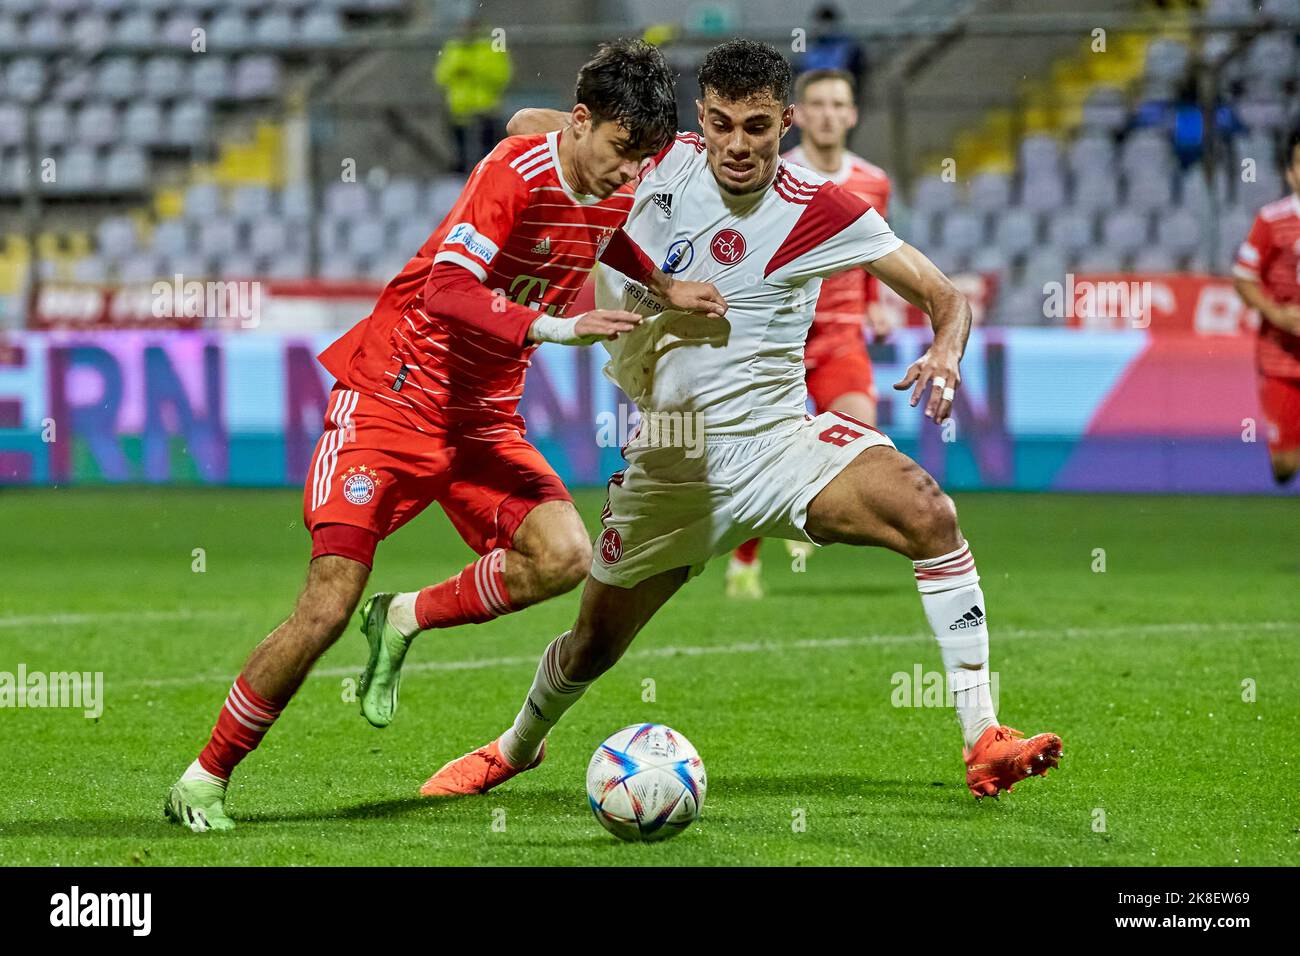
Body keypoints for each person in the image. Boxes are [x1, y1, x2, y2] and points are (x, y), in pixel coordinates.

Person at [416, 39, 1061, 803]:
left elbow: (945, 296)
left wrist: (946, 355)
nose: (738, 145)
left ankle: (983, 736)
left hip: (781, 444)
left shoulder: (822, 207)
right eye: (722, 124)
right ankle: (515, 747)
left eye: (757, 126)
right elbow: (528, 123)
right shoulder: (660, 159)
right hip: (671, 461)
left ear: (785, 124)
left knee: (928, 511)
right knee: (591, 645)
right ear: (702, 117)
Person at [164, 40, 726, 832]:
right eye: (622, 153)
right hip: (393, 400)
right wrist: (555, 328)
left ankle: (405, 617)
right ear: (581, 121)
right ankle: (204, 778)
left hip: (482, 420)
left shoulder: (610, 179)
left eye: (643, 162)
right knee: (327, 603)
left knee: (564, 553)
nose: (630, 175)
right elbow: (448, 287)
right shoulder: (512, 174)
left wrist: (664, 284)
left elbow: (604, 233)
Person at [726, 67, 894, 600]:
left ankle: (804, 515)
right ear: (796, 116)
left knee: (860, 438)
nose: (827, 113)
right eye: (816, 103)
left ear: (851, 115)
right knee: (765, 454)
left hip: (842, 335)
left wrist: (875, 306)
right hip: (779, 339)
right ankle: (745, 560)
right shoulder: (773, 173)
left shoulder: (874, 182)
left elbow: (875, 253)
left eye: (836, 104)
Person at [1233, 129, 1300, 485]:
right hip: (1281, 357)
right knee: (1284, 468)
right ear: (1290, 172)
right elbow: (1242, 278)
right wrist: (1277, 314)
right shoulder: (1272, 220)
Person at [435, 18, 513, 173]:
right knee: (461, 156)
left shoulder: (492, 47)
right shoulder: (453, 47)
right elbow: (441, 76)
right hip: (459, 112)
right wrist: (458, 71)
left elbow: (502, 75)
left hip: (486, 110)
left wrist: (472, 71)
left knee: (487, 156)